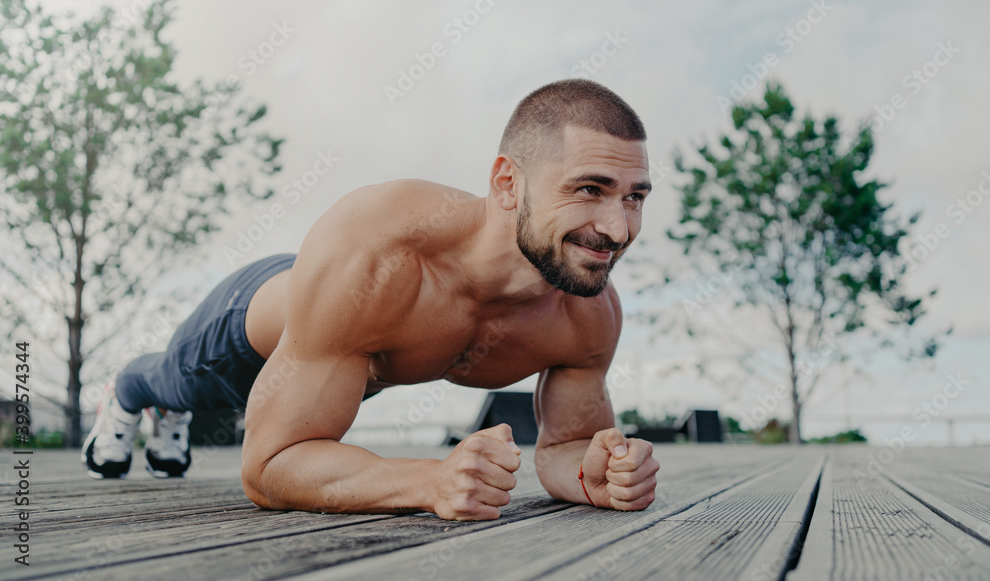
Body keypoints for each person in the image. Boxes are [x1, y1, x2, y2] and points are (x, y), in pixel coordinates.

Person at [82, 78, 660, 520]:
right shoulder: (383, 248)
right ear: (508, 184)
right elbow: (269, 466)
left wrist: (592, 474)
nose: (618, 229)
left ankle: (166, 412)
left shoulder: (588, 311)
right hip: (250, 331)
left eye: (634, 198)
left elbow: (566, 446)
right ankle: (132, 395)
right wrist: (430, 481)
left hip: (339, 348)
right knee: (172, 382)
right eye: (590, 189)